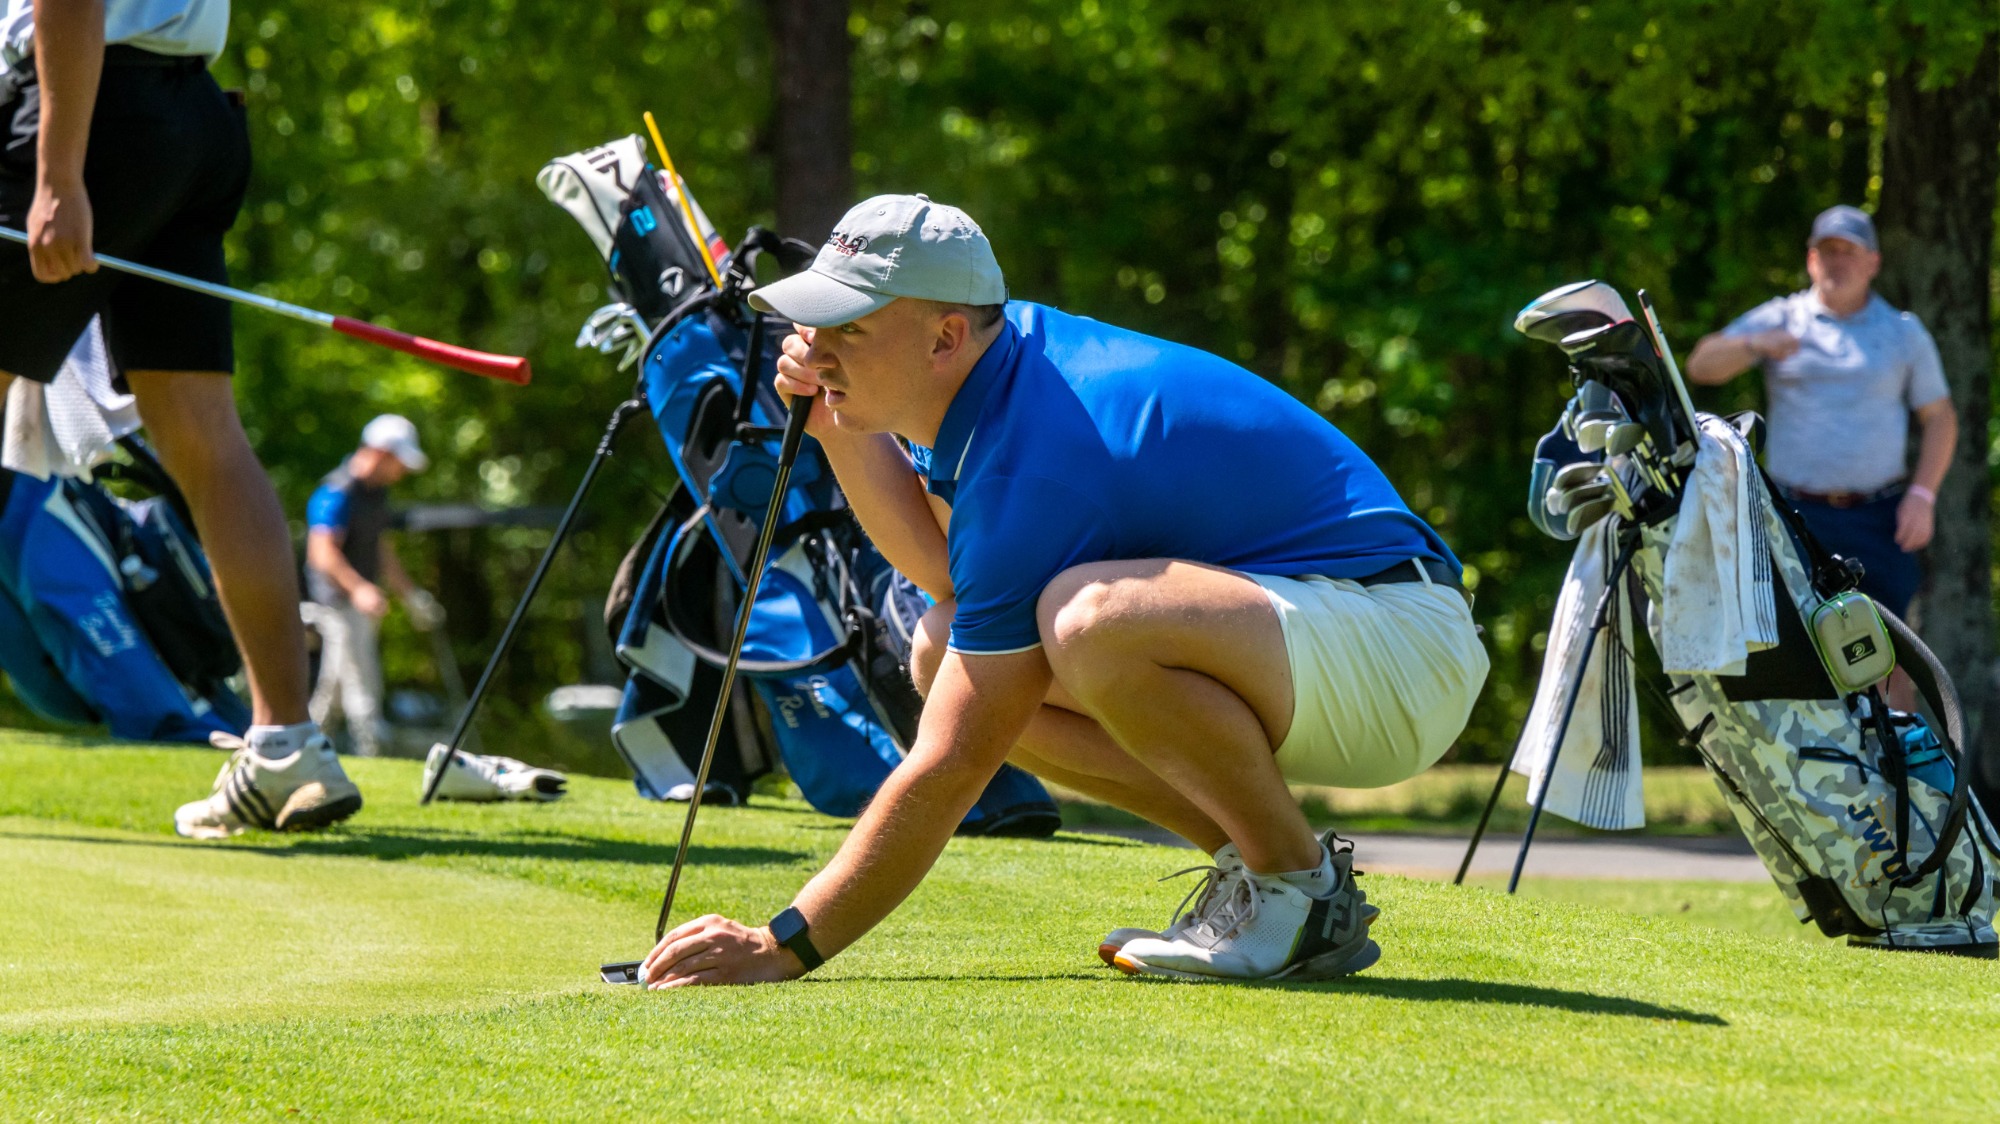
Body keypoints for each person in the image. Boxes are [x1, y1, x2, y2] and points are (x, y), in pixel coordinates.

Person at [638, 195, 1489, 987]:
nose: (812, 349)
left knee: (1089, 620)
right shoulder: (993, 383)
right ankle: (1271, 873)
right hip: (1329, 638)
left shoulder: (1033, 449)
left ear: (943, 338)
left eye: (848, 329)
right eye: (814, 322)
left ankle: (1293, 892)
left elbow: (956, 759)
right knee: (943, 648)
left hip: (1401, 645)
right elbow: (949, 578)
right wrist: (834, 426)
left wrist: (784, 942)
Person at [0, 0, 361, 836]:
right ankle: (286, 747)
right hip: (190, 121)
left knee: (204, 438)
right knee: (205, 437)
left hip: (85, 114)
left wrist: (58, 175)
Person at [1686, 204, 1958, 626]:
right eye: (1827, 250)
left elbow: (1940, 417)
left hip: (1879, 519)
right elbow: (1701, 366)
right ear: (1812, 260)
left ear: (1873, 263)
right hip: (1793, 517)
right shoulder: (1782, 318)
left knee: (1891, 661)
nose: (1837, 261)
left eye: (1849, 251)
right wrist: (1755, 343)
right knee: (1797, 651)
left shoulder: (1903, 332)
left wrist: (1923, 496)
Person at [303, 414, 442, 757]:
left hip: (358, 604)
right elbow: (321, 552)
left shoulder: (376, 495)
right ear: (380, 452)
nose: (402, 471)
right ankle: (373, 749)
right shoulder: (337, 491)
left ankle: (303, 745)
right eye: (399, 462)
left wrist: (412, 596)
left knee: (333, 686)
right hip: (334, 604)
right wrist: (359, 589)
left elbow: (381, 550)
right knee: (362, 678)